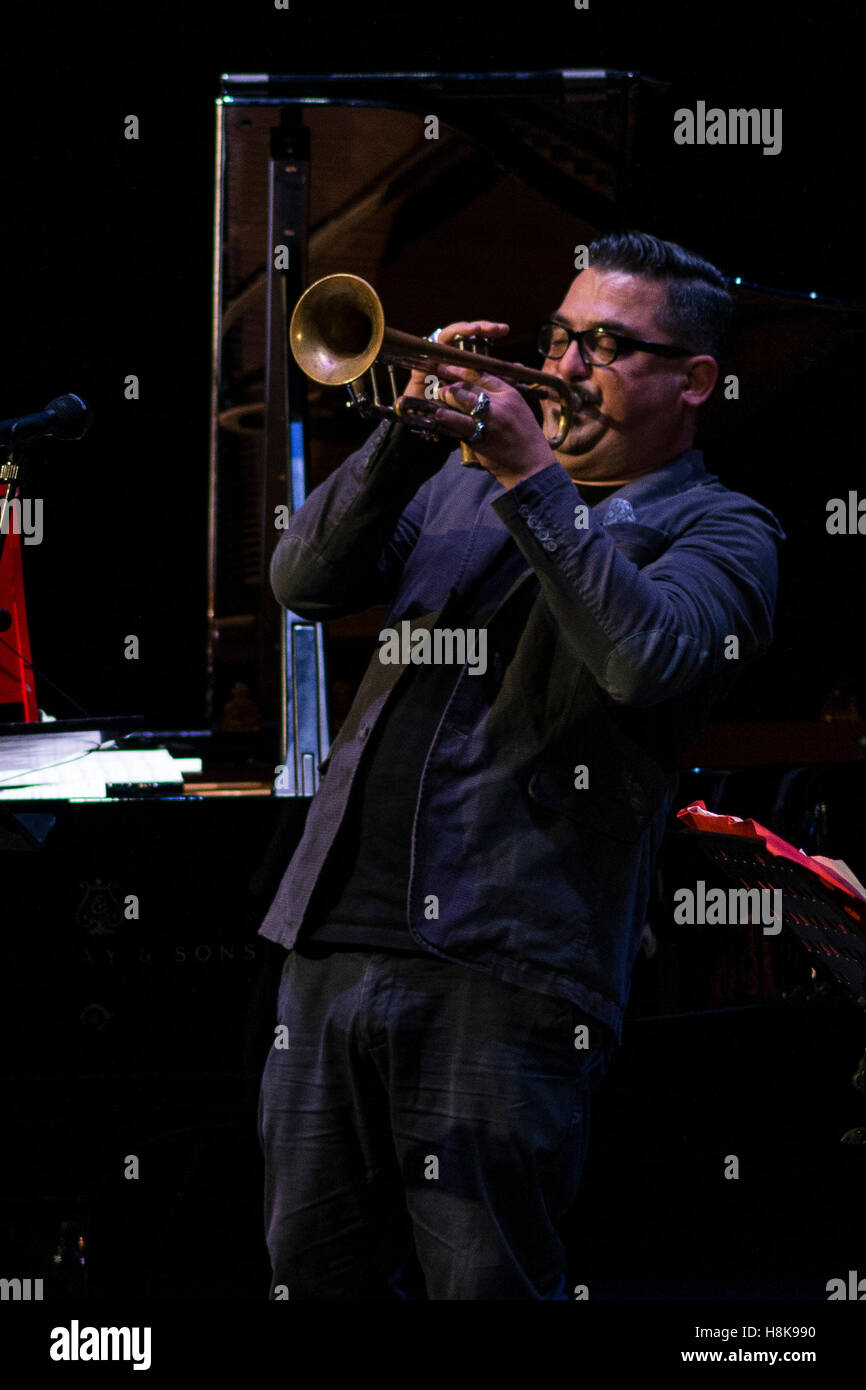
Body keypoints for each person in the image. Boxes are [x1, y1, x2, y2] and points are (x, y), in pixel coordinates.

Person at [256, 230, 785, 1300]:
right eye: (556, 335)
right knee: (305, 1277)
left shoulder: (724, 528)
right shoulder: (451, 486)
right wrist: (404, 438)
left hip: (506, 966)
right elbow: (301, 582)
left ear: (691, 381)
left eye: (603, 343)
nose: (562, 365)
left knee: (484, 1287)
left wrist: (532, 475)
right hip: (329, 942)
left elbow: (645, 660)